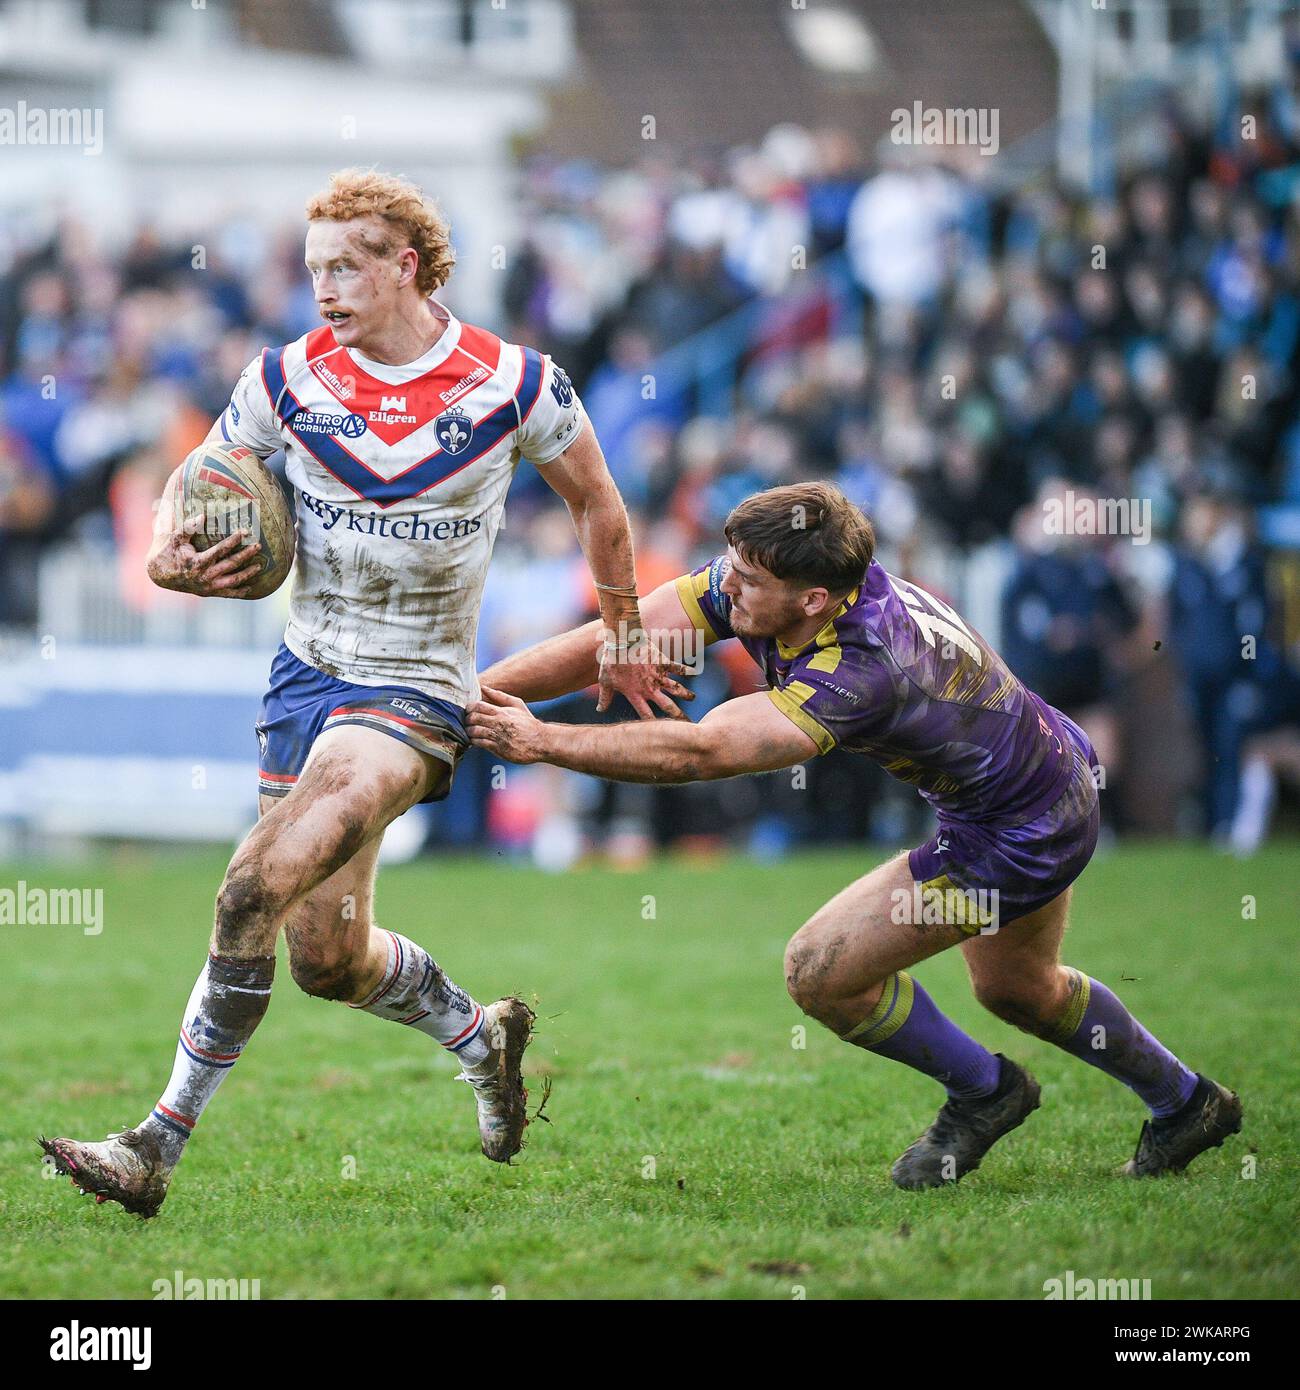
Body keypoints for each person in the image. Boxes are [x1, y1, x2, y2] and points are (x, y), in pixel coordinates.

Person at [40, 169, 684, 1217]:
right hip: (306, 674)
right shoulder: (286, 378)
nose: (325, 289)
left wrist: (619, 632)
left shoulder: (514, 383)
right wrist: (166, 555)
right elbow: (193, 478)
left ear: (408, 266)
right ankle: (483, 1036)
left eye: (346, 267)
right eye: (313, 270)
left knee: (250, 884)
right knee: (325, 958)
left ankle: (153, 1144)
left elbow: (601, 506)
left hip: (418, 687)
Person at [469, 481, 1242, 1189]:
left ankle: (987, 1093)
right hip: (1039, 777)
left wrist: (540, 742)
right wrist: (475, 693)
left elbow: (701, 750)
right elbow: (624, 633)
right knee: (1018, 988)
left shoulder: (862, 670)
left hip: (1019, 831)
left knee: (820, 970)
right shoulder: (789, 572)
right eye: (731, 566)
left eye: (747, 581)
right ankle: (1188, 1104)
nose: (725, 584)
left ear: (811, 600)